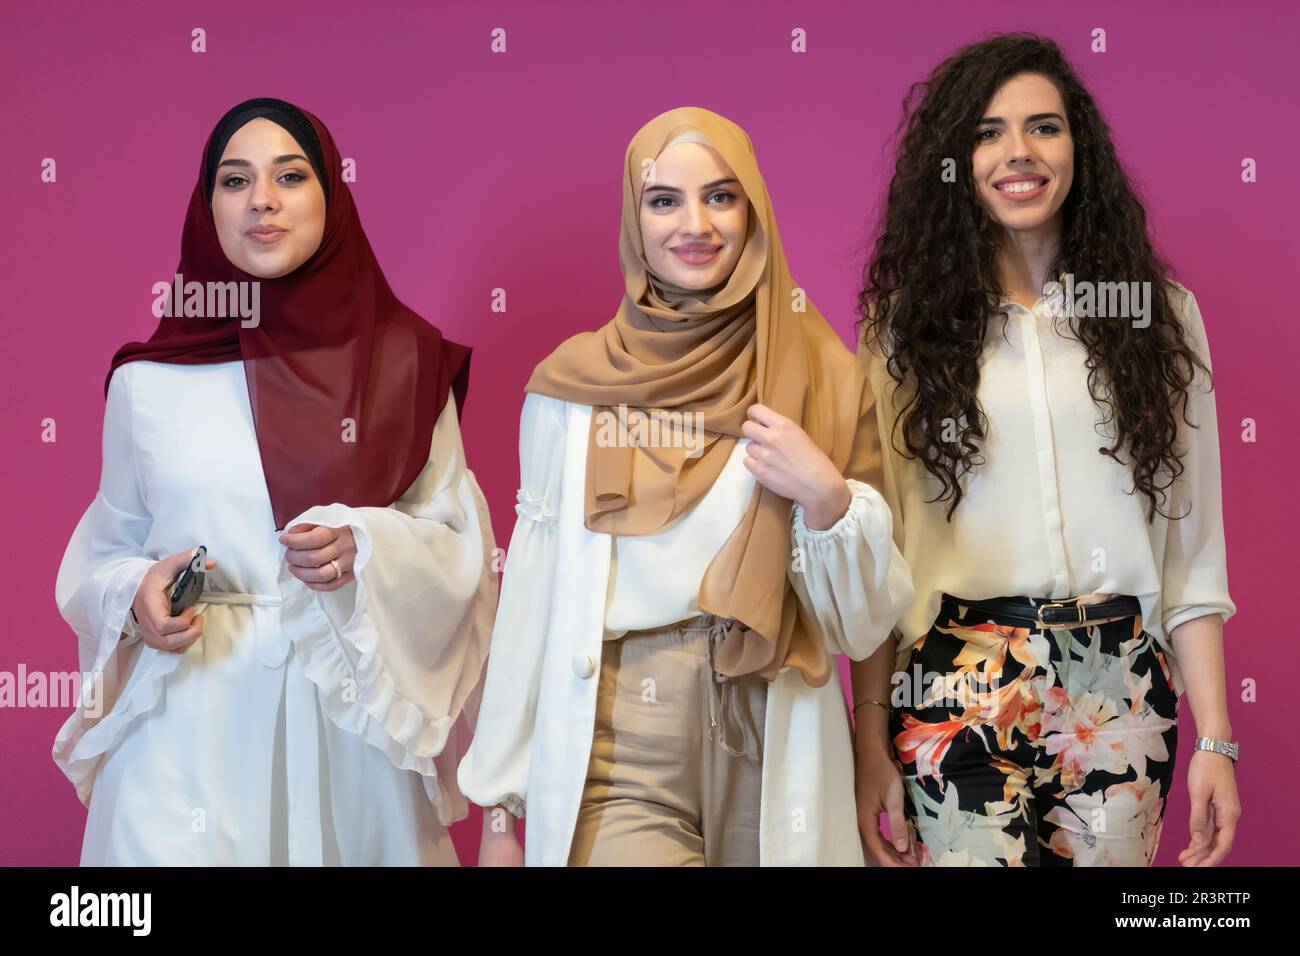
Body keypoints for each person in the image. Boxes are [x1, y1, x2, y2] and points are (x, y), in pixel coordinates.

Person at [458, 106, 914, 866]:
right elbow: (531, 593)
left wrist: (827, 499)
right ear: (634, 219)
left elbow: (864, 625)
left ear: (755, 211)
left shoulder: (825, 375)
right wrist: (502, 806)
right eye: (663, 200)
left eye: (721, 197)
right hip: (622, 735)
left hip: (774, 720)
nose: (693, 224)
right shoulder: (572, 391)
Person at [53, 97, 497, 865]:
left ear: (331, 197)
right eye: (235, 180)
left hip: (348, 726)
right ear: (208, 207)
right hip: (184, 725)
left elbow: (462, 551)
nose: (262, 198)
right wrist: (136, 591)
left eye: (290, 175)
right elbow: (108, 548)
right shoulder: (148, 381)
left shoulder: (404, 362)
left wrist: (368, 546)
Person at [850, 35, 1239, 867]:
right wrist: (868, 743)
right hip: (954, 676)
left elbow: (1193, 554)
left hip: (1119, 675)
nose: (1017, 153)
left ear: (1079, 149)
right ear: (956, 162)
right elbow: (876, 556)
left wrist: (1219, 740)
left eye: (1043, 128)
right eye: (988, 133)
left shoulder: (1159, 317)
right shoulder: (901, 337)